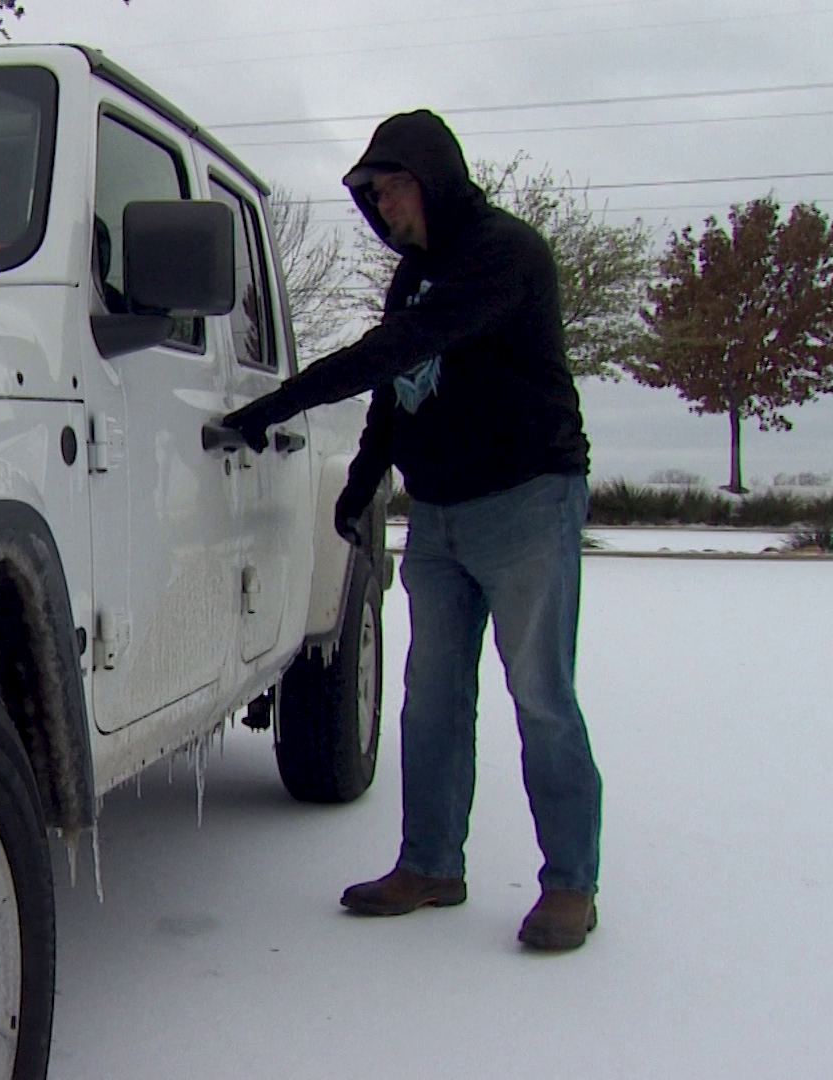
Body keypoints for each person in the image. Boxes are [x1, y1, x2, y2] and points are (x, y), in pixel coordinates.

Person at [224, 109, 603, 951]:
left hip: (528, 503)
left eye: (393, 187)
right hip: (438, 519)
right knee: (432, 697)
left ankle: (570, 883)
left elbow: (391, 350)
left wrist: (277, 405)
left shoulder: (506, 255)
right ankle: (431, 864)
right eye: (373, 193)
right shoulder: (412, 278)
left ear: (434, 181)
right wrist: (362, 484)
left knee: (540, 695)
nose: (383, 205)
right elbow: (396, 392)